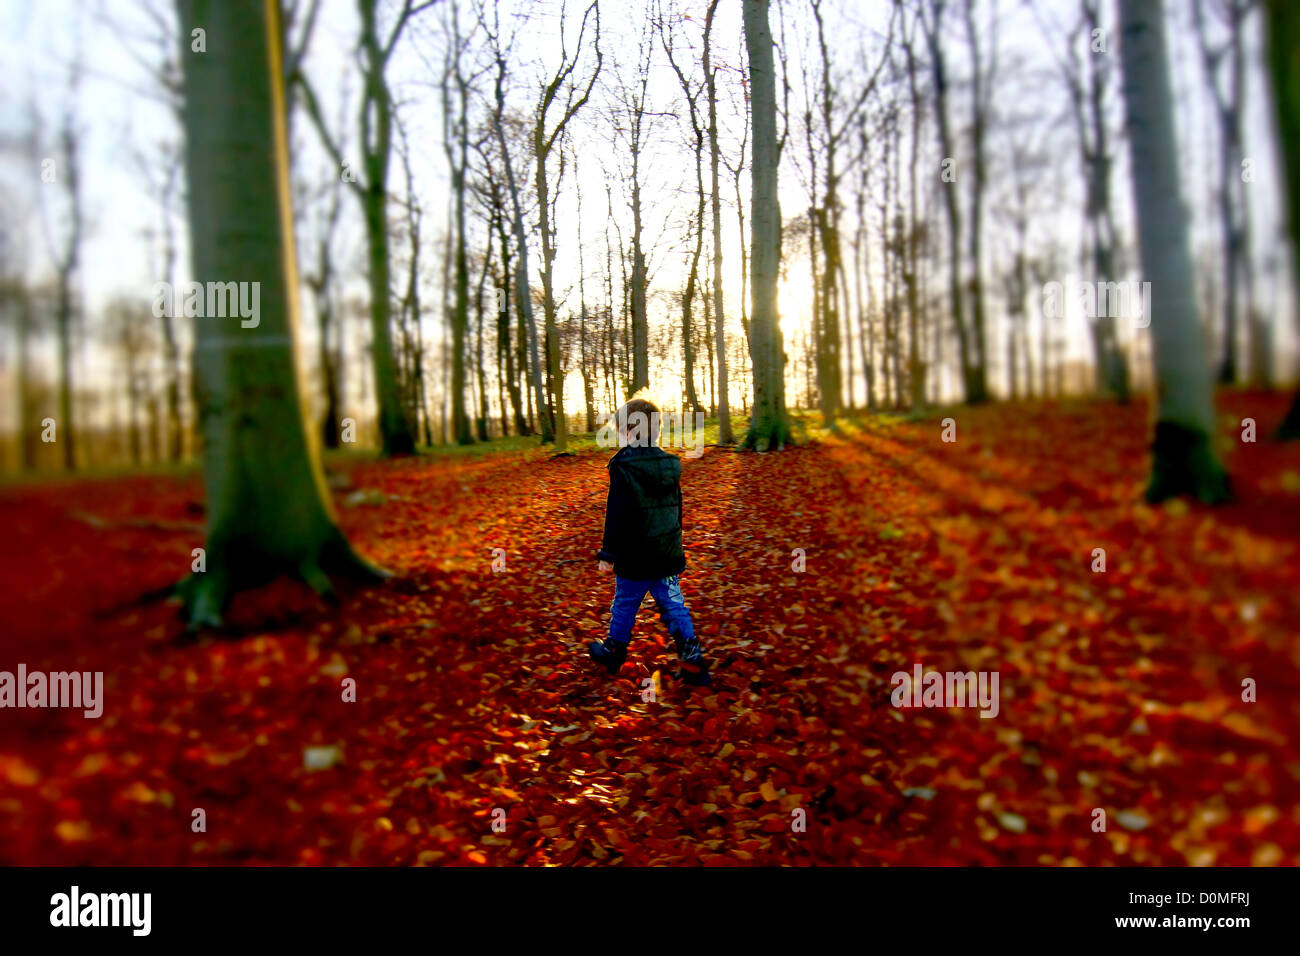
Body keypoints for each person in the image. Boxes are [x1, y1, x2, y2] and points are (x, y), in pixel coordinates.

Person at [588, 397, 710, 686]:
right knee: (674, 605)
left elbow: (616, 514)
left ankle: (614, 650)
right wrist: (674, 543)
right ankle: (693, 660)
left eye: (620, 430)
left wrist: (608, 553)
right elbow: (676, 508)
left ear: (629, 432)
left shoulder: (623, 467)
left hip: (635, 556)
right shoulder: (670, 464)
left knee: (625, 604)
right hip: (665, 553)